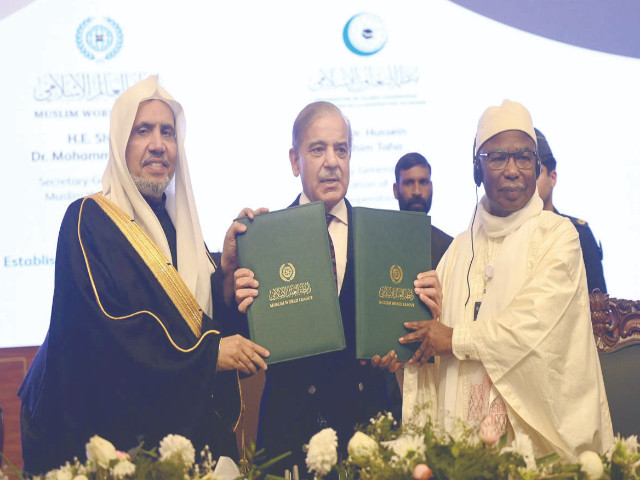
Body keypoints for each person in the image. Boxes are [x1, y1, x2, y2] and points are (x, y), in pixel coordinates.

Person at [18, 76, 269, 474]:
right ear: (121, 144)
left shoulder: (182, 233)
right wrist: (206, 356)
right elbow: (106, 329)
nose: (158, 144)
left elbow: (195, 313)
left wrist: (224, 278)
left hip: (175, 434)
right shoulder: (88, 219)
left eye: (167, 132)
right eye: (143, 131)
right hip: (105, 438)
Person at [400, 100, 613, 461]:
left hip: (537, 448)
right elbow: (430, 343)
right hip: (464, 453)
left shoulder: (557, 236)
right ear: (477, 170)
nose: (512, 170)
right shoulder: (459, 250)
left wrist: (454, 337)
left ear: (537, 166)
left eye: (524, 157)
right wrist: (408, 344)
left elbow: (534, 325)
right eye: (498, 158)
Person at [234, 101, 439, 474]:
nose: (332, 161)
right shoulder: (263, 241)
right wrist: (235, 283)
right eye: (318, 149)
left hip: (364, 437)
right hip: (288, 438)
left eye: (341, 149)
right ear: (295, 161)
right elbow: (242, 345)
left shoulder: (386, 240)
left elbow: (406, 336)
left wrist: (414, 327)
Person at [535, 128, 607, 293]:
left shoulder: (578, 233)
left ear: (552, 178)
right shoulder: (505, 234)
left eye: (536, 172)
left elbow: (600, 308)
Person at [393, 152, 453, 267]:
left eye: (423, 182)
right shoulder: (380, 242)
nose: (417, 192)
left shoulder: (450, 248)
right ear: (396, 190)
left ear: (431, 187)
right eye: (409, 183)